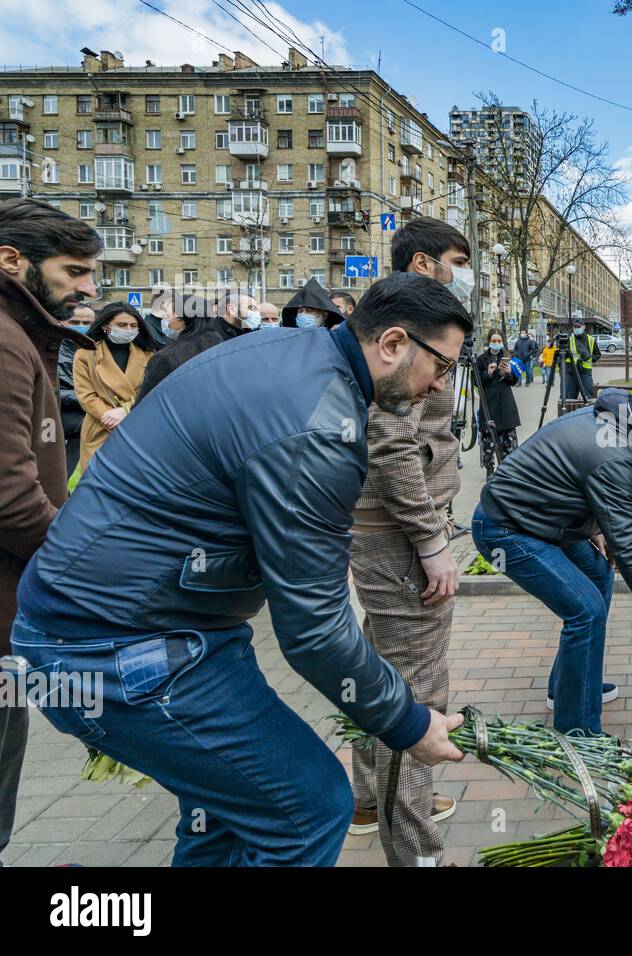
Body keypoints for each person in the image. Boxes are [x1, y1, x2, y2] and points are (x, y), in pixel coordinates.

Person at [13, 272, 471, 866]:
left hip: (152, 624)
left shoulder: (292, 354)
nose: (440, 386)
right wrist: (407, 722)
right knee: (308, 807)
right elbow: (313, 631)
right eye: (441, 366)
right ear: (392, 342)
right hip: (116, 644)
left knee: (226, 819)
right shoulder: (318, 427)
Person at [345, 216, 472, 864]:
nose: (462, 271)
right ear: (422, 264)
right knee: (420, 694)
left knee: (382, 674)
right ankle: (417, 847)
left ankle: (375, 798)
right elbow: (391, 443)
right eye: (455, 259)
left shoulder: (391, 320)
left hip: (389, 532)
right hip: (400, 536)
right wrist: (430, 541)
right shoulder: (409, 335)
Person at [472, 386, 632, 735]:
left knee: (598, 573)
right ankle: (579, 733)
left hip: (541, 521)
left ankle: (569, 687)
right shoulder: (616, 455)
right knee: (585, 610)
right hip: (504, 529)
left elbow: (574, 483)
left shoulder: (612, 423)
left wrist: (592, 528)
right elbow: (630, 547)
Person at [0, 197, 99, 864]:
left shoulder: (19, 335)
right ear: (11, 262)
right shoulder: (6, 343)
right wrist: (87, 573)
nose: (88, 288)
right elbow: (10, 498)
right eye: (72, 272)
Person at [71, 302, 161, 476]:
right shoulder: (86, 354)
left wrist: (127, 411)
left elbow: (151, 391)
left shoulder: (149, 354)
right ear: (106, 325)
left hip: (137, 427)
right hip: (100, 427)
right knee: (98, 484)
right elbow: (86, 396)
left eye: (133, 326)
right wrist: (110, 417)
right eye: (122, 325)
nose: (128, 329)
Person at [135, 290, 255, 403]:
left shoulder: (165, 359)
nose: (164, 321)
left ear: (179, 318)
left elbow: (145, 405)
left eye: (167, 315)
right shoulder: (227, 348)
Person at [58, 303, 96, 478]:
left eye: (87, 322)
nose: (81, 326)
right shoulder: (51, 350)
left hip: (84, 426)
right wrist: (85, 398)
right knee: (53, 475)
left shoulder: (98, 352)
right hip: (56, 424)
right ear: (62, 322)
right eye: (75, 321)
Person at [476, 329, 522, 469]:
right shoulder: (481, 359)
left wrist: (509, 373)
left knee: (509, 439)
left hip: (506, 403)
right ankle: (489, 468)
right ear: (489, 342)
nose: (497, 343)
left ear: (503, 341)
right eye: (494, 341)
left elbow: (513, 381)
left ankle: (508, 469)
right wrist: (487, 373)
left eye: (499, 341)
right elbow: (476, 381)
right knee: (489, 438)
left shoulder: (510, 358)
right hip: (488, 403)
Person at [561, 318, 601, 403]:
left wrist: (589, 358)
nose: (576, 328)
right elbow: (563, 356)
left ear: (584, 327)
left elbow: (597, 354)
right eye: (574, 327)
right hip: (571, 372)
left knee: (590, 398)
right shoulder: (569, 339)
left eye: (578, 327)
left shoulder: (591, 339)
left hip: (585, 372)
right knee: (569, 398)